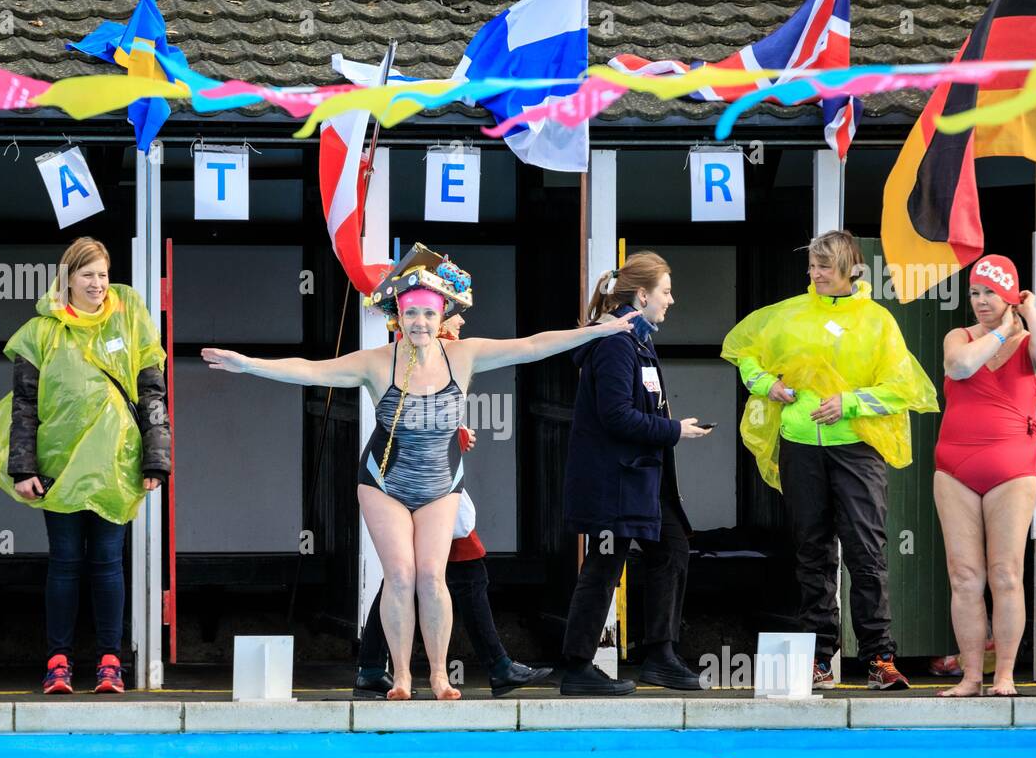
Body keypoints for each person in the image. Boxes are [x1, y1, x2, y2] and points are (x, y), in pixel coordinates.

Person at [204, 243, 637, 700]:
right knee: (401, 575)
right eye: (411, 314)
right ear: (398, 316)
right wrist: (249, 365)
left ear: (442, 314)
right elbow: (311, 371)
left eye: (429, 315)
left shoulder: (464, 356)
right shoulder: (376, 362)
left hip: (440, 484)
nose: (420, 324)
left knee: (432, 576)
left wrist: (596, 334)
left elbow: (532, 346)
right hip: (384, 483)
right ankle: (403, 677)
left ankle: (438, 675)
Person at [721, 230, 938, 690]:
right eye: (812, 266)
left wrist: (849, 403)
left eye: (823, 266)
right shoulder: (789, 314)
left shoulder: (877, 321)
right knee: (812, 552)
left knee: (865, 551)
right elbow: (745, 354)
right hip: (800, 445)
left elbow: (902, 389)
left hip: (857, 448)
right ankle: (820, 658)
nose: (814, 274)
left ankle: (880, 657)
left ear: (849, 270)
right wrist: (768, 386)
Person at [0, 237, 171, 695]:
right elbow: (25, 405)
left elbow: (151, 388)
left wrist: (156, 457)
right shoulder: (40, 331)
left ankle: (110, 662)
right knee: (65, 562)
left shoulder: (128, 314)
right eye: (87, 275)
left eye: (102, 274)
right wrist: (22, 468)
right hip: (58, 463)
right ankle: (58, 662)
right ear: (68, 278)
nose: (97, 284)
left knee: (107, 561)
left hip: (116, 463)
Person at [355, 313, 552, 698]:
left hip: (440, 482)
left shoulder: (455, 359)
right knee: (414, 575)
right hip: (399, 479)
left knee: (422, 576)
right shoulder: (404, 359)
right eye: (455, 318)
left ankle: (391, 667)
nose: (461, 323)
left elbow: (532, 346)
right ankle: (401, 669)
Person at [559, 252, 710, 697]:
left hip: (642, 477)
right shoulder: (615, 342)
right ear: (642, 295)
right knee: (604, 567)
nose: (672, 300)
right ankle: (578, 665)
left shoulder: (636, 339)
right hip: (615, 481)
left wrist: (669, 429)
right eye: (665, 291)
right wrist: (674, 430)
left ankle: (660, 656)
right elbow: (616, 417)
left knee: (672, 548)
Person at [934, 254, 1036, 697]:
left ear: (1010, 295)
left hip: (1011, 466)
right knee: (964, 576)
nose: (981, 300)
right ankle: (971, 676)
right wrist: (1001, 330)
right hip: (954, 467)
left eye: (991, 292)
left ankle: (1004, 674)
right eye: (975, 292)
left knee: (1005, 573)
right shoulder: (960, 337)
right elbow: (960, 367)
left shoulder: (1030, 343)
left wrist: (1028, 313)